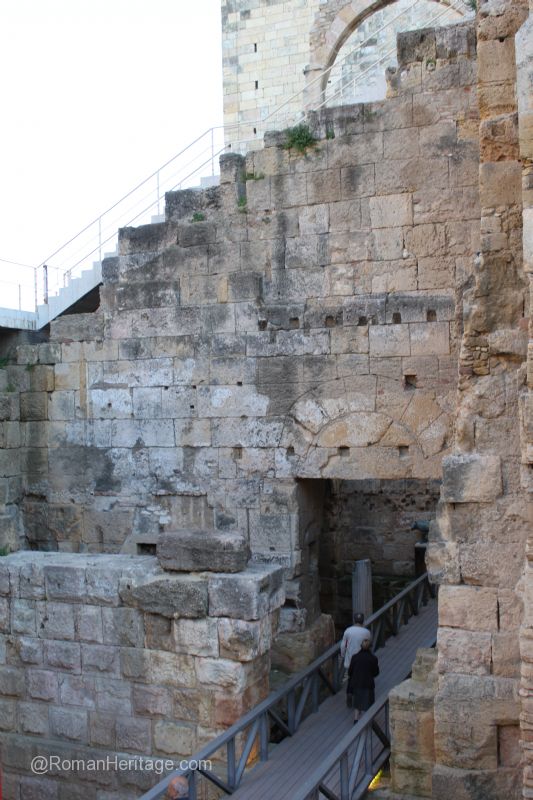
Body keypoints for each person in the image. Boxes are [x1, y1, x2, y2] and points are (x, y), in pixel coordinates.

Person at [347, 637, 379, 723]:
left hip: (357, 683)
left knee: (357, 702)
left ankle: (356, 719)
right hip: (368, 683)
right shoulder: (373, 658)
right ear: (370, 647)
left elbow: (350, 671)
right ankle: (369, 720)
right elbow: (376, 672)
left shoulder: (355, 657)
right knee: (369, 702)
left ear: (361, 646)